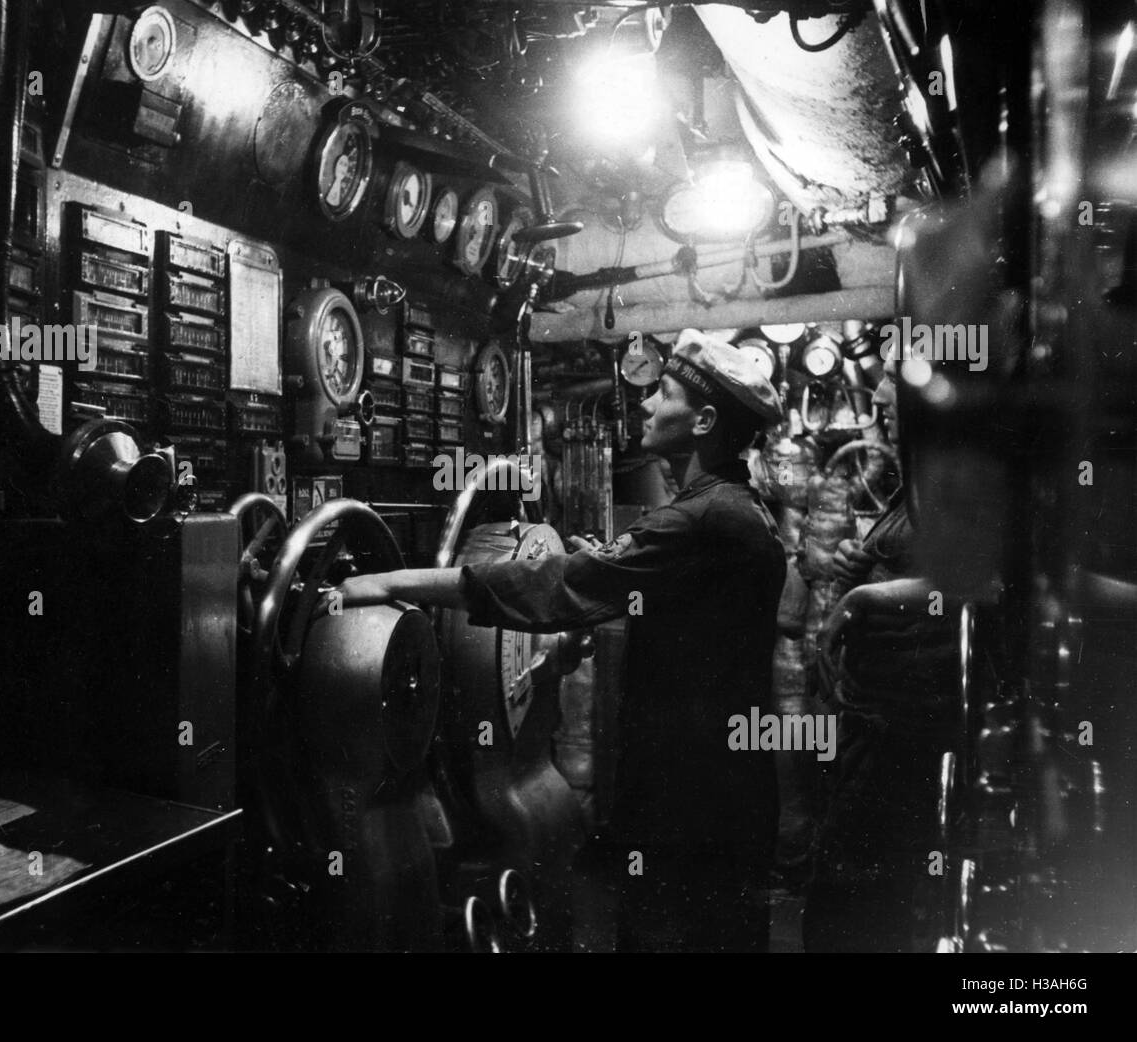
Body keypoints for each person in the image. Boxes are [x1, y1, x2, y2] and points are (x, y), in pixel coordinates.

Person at [334, 330, 787, 951]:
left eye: (665, 394)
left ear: (704, 420)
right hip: (717, 793)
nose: (648, 405)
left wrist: (389, 582)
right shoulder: (732, 506)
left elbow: (550, 586)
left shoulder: (704, 518)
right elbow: (664, 597)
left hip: (689, 806)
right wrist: (606, 579)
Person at [803, 354, 961, 952]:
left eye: (894, 383)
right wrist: (863, 560)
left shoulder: (951, 477)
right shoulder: (914, 484)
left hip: (907, 730)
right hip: (877, 721)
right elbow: (920, 565)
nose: (882, 399)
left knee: (851, 909)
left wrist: (864, 596)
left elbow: (989, 580)